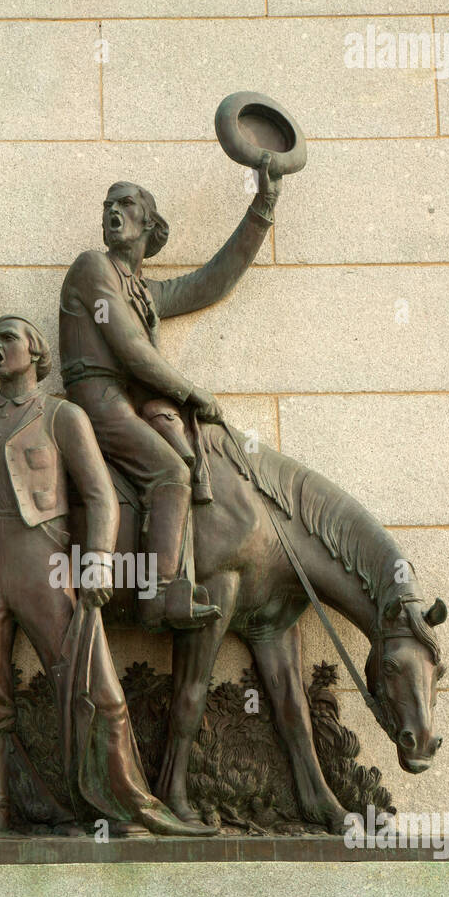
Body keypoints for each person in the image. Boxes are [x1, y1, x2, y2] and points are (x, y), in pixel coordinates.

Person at [0, 287, 200, 837]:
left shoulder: (63, 416)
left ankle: (121, 804)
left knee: (90, 681)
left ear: (35, 352)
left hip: (45, 562)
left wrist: (100, 563)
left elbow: (101, 495)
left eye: (6, 338)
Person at [59, 156, 281, 631]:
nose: (112, 212)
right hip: (94, 398)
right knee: (169, 473)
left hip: (124, 401)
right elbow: (132, 349)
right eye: (108, 205)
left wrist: (263, 205)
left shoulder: (141, 290)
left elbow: (211, 282)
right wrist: (193, 391)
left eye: (125, 204)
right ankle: (157, 595)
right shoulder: (93, 268)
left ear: (148, 225)